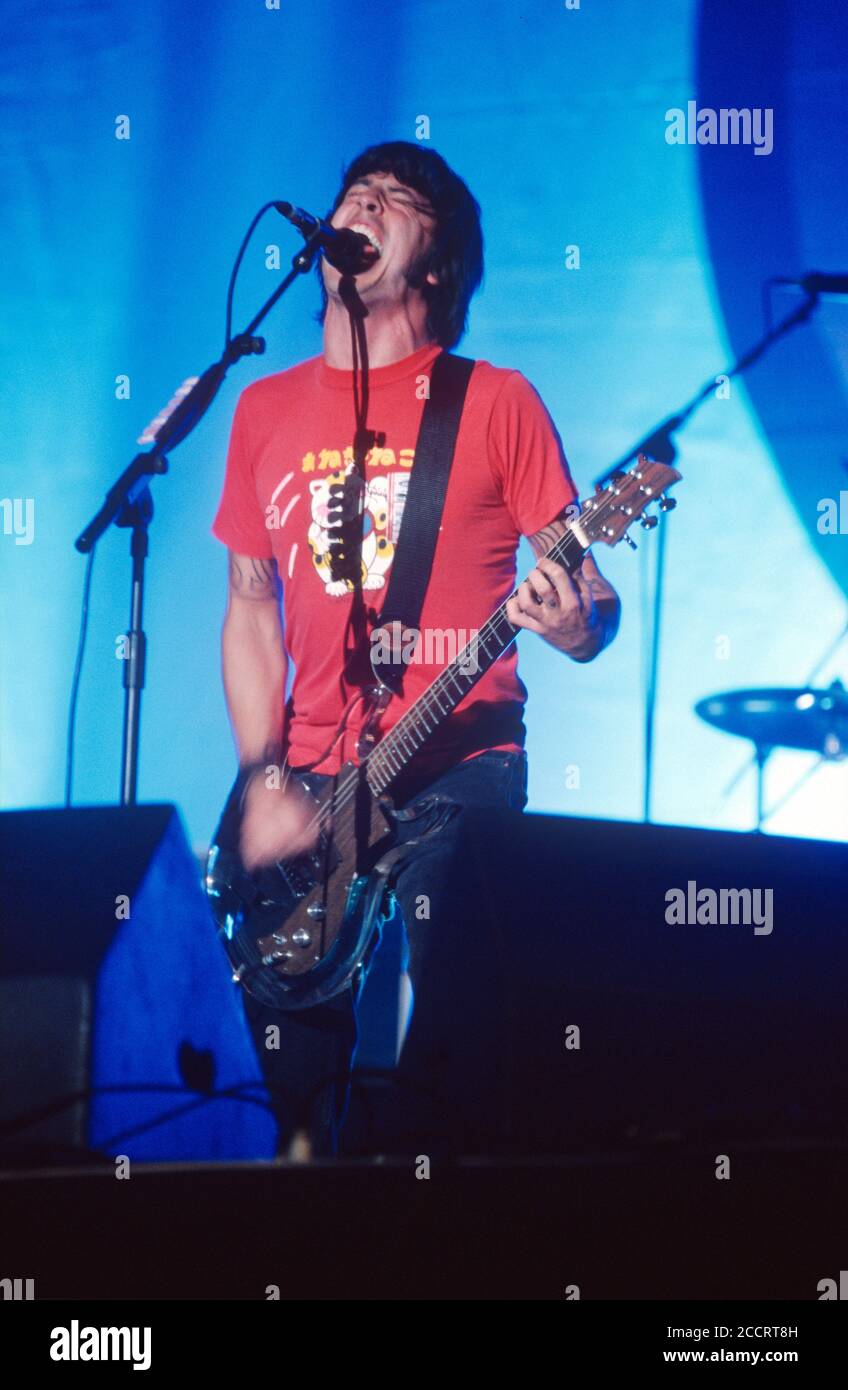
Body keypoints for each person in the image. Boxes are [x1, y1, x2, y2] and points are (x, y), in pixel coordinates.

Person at [211, 141, 620, 1156]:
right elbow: (250, 606)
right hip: (309, 786)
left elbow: (590, 593)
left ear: (438, 268)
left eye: (395, 198)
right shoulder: (262, 408)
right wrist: (262, 773)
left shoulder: (494, 401)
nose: (363, 198)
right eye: (355, 189)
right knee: (293, 1102)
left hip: (458, 762)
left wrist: (572, 622)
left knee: (452, 1034)